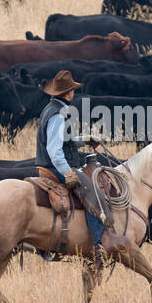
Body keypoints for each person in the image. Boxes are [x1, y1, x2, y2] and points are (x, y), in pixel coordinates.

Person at [35, 70, 116, 257]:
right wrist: (68, 173)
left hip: (50, 165)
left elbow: (65, 140)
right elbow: (54, 151)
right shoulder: (58, 115)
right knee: (93, 193)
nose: (74, 93)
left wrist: (86, 139)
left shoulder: (53, 109)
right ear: (69, 92)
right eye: (72, 90)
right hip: (55, 167)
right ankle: (98, 245)